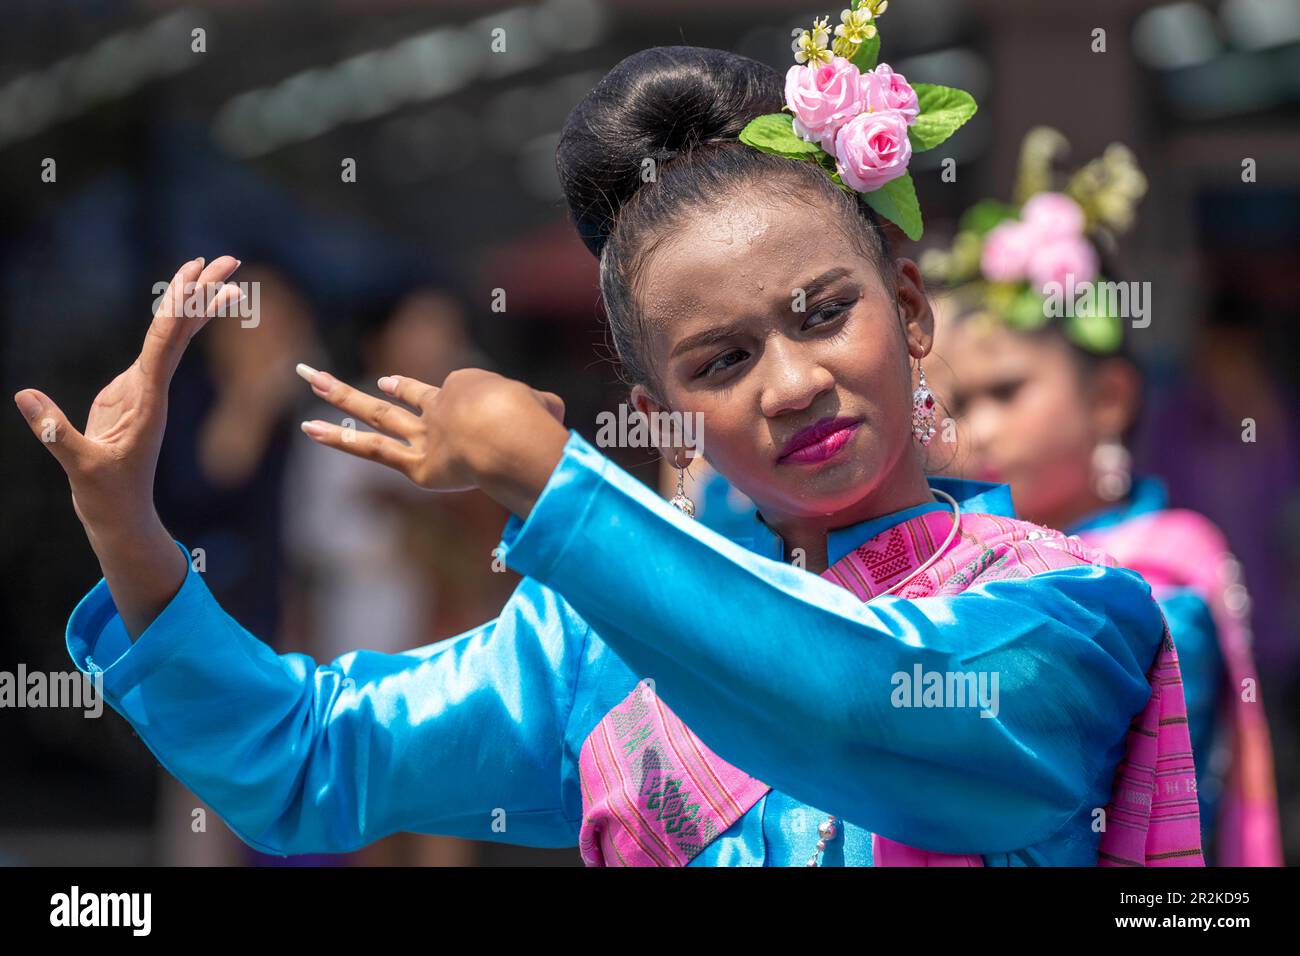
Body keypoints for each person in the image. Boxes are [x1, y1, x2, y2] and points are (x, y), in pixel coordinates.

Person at [16, 16, 1199, 866]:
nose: (792, 382)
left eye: (824, 312)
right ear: (658, 405)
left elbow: (863, 705)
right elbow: (311, 756)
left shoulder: (1075, 611)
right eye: (721, 360)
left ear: (910, 303)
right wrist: (129, 528)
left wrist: (555, 483)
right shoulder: (590, 644)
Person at [920, 127, 1282, 865]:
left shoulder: (1163, 576)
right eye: (951, 400)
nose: (972, 429)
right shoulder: (956, 562)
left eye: (1004, 391)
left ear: (1110, 398)